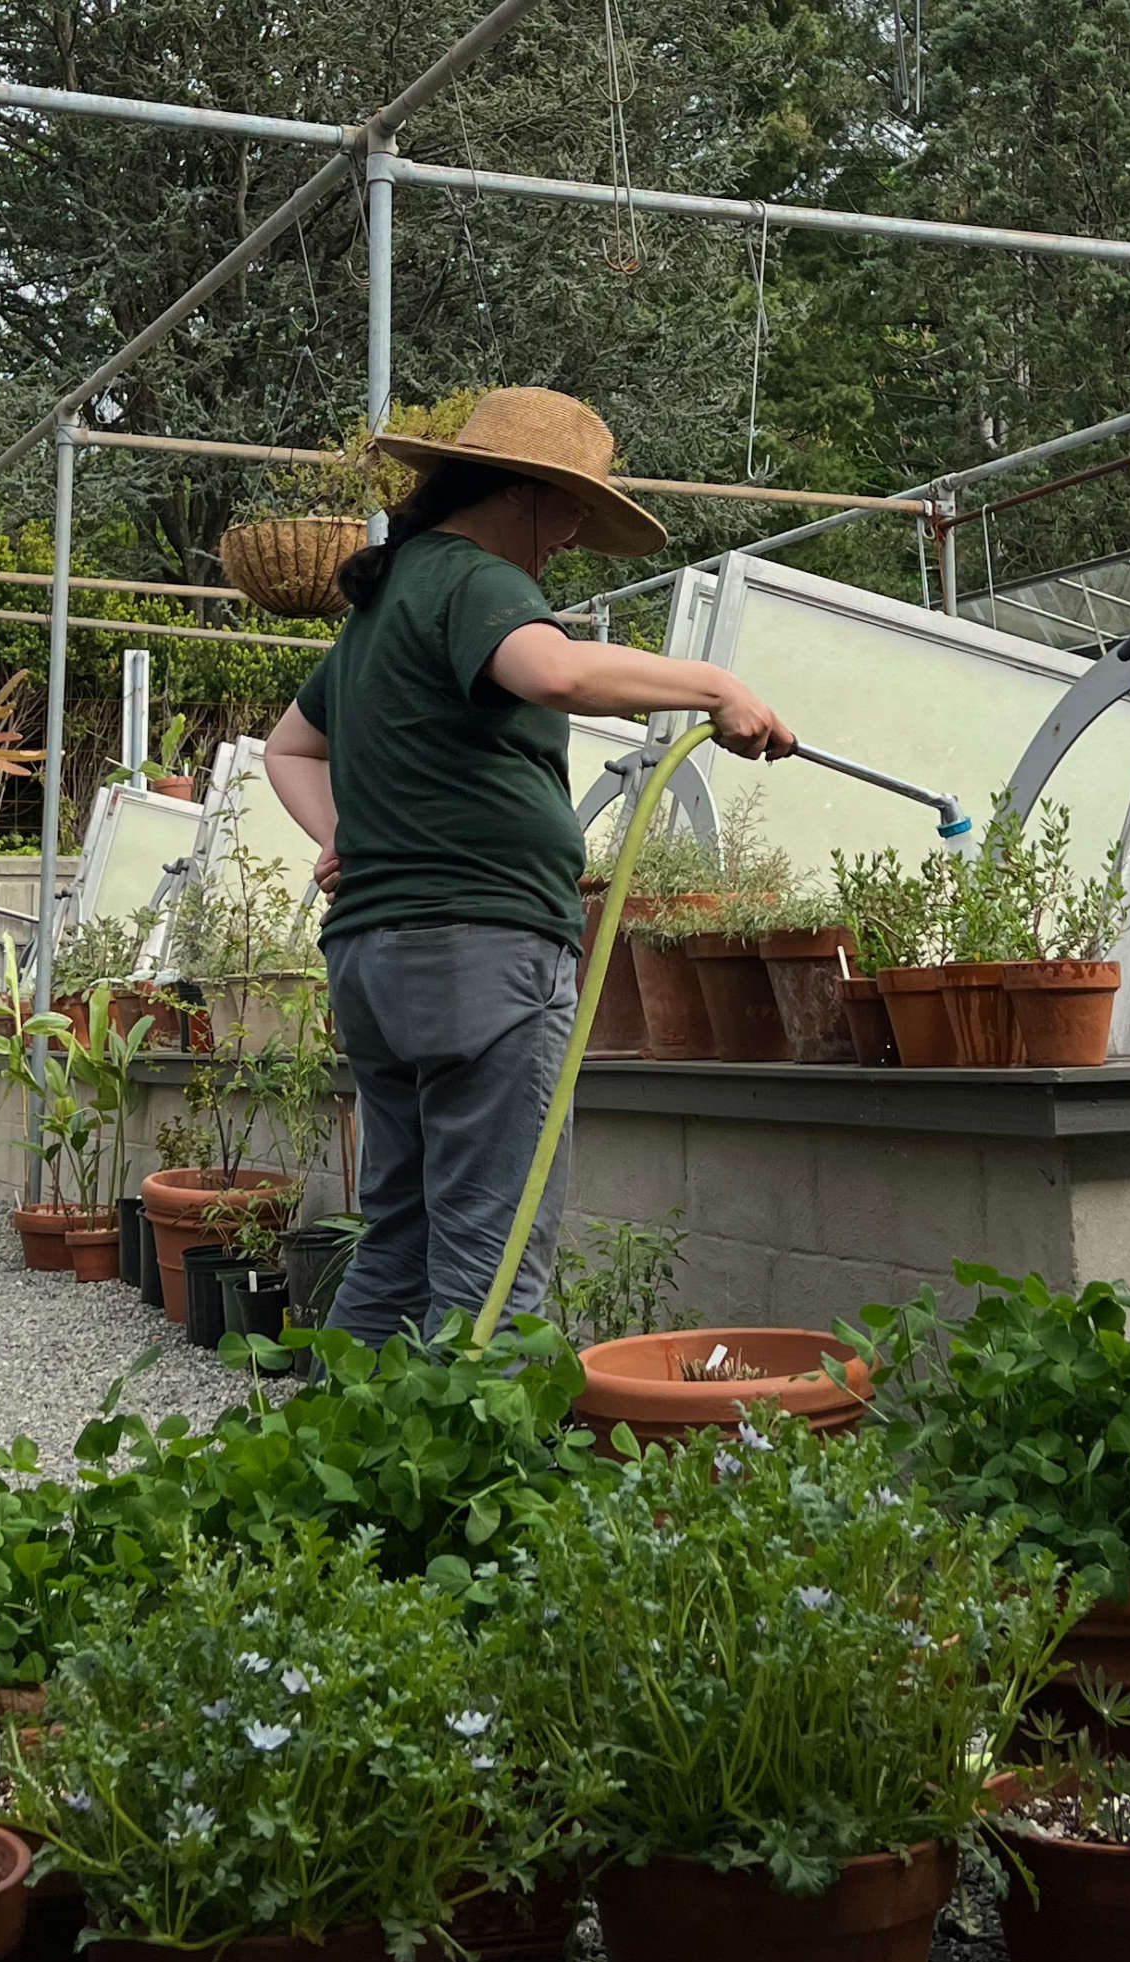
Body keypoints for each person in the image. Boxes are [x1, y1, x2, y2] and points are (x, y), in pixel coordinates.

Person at [263, 385, 794, 1348]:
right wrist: (717, 684)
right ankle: (482, 1487)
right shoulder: (476, 578)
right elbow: (552, 673)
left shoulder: (387, 601)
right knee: (493, 1252)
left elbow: (288, 749)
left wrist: (343, 839)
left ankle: (330, 1473)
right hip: (481, 947)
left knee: (401, 1234)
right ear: (524, 493)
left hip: (374, 960)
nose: (570, 542)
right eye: (573, 514)